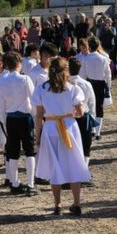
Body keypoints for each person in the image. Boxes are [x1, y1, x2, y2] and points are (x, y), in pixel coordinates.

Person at [33, 58, 90, 216]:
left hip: (50, 127)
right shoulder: (72, 88)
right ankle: (77, 203)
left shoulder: (41, 88)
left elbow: (38, 116)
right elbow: (80, 113)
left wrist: (38, 136)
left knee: (54, 166)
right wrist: (69, 112)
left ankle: (57, 205)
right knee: (73, 163)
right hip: (69, 126)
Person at [0, 51, 38, 196]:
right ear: (19, 63)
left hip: (10, 119)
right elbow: (34, 100)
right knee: (29, 151)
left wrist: (4, 120)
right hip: (25, 118)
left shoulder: (0, 81)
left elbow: (1, 105)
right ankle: (31, 184)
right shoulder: (25, 79)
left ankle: (14, 183)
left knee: (12, 152)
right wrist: (35, 117)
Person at [67, 58, 96, 165]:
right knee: (85, 144)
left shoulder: (64, 85)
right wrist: (93, 125)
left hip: (69, 117)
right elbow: (92, 104)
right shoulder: (86, 84)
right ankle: (84, 168)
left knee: (71, 144)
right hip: (84, 116)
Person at [82, 37, 112, 140]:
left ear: (89, 47)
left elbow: (83, 74)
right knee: (99, 107)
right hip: (100, 84)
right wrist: (108, 85)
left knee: (90, 105)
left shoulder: (86, 58)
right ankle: (98, 132)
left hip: (89, 83)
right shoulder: (103, 58)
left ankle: (92, 130)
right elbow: (108, 74)